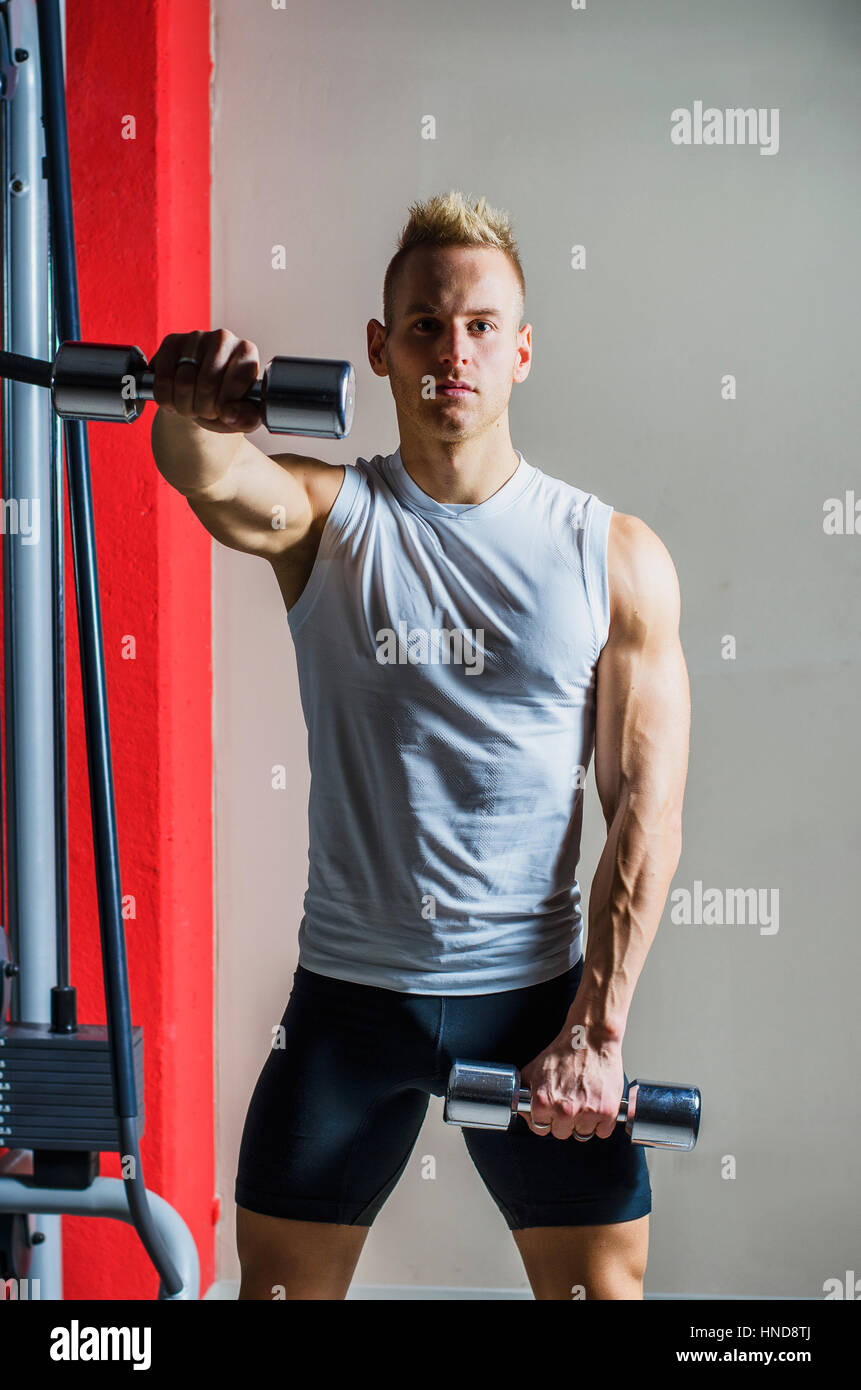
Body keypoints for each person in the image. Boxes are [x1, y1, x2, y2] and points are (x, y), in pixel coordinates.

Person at [150, 190, 690, 1301]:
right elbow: (212, 477)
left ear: (523, 351)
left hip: (535, 1000)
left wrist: (596, 1028)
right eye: (428, 325)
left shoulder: (612, 556)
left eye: (482, 325)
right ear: (380, 349)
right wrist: (191, 405)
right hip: (348, 1005)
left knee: (602, 1297)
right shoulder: (329, 520)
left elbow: (646, 809)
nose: (456, 349)